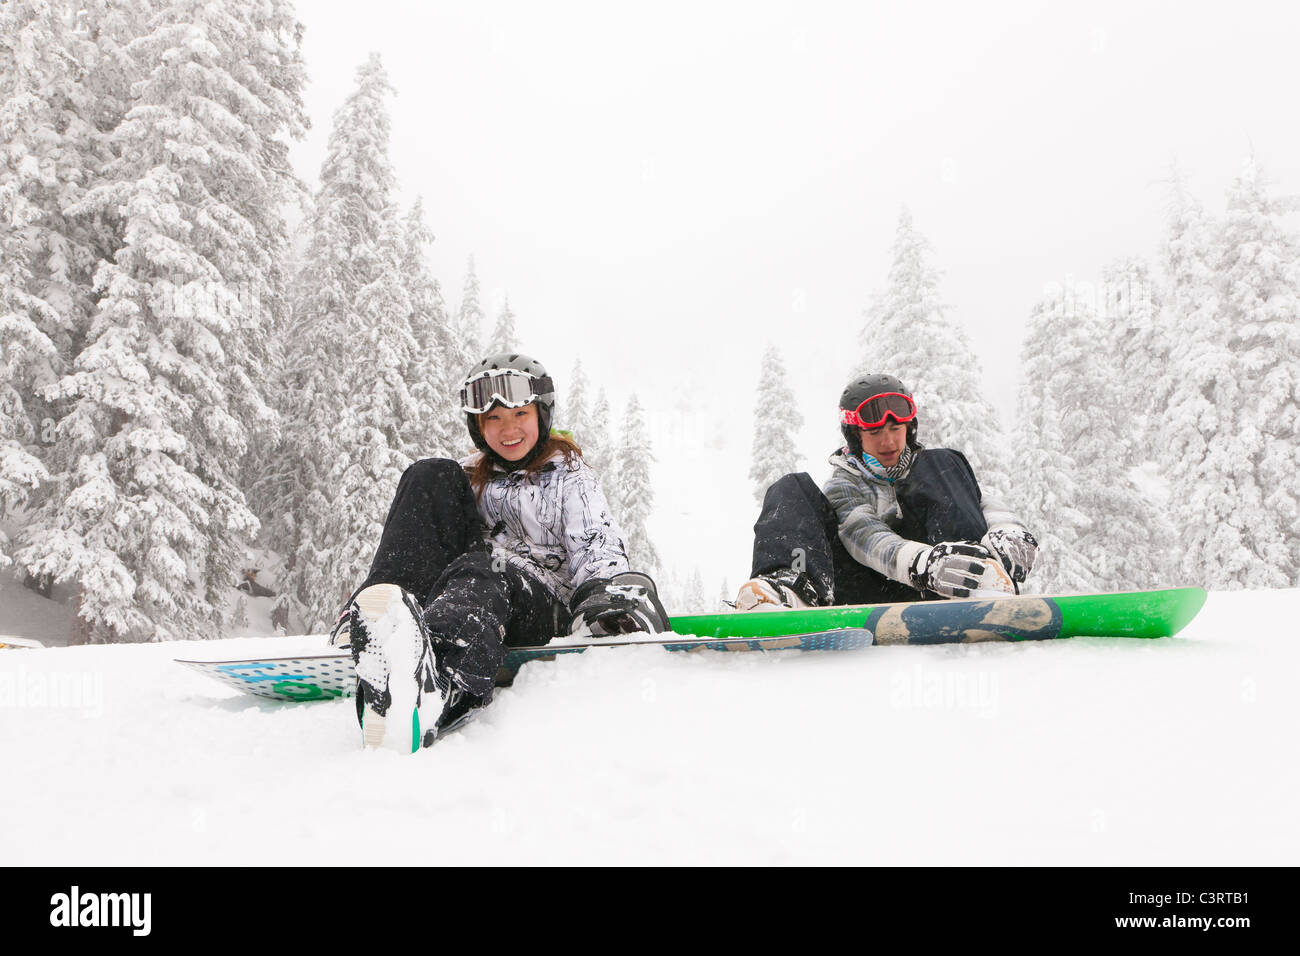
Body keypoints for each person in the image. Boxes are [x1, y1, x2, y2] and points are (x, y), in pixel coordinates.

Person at [331, 352, 667, 752]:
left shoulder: (569, 478)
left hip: (544, 604)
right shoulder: (469, 479)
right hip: (473, 592)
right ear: (478, 427)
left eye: (519, 414)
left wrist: (605, 597)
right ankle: (388, 622)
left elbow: (596, 544)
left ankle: (439, 689)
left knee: (486, 565)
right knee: (430, 473)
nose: (508, 429)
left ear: (541, 415)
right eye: (493, 419)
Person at [736, 372, 1038, 610]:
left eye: (896, 429)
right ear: (855, 436)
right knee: (791, 488)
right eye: (875, 432)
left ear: (909, 428)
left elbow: (982, 501)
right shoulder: (844, 484)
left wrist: (1008, 530)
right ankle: (790, 590)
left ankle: (974, 573)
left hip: (943, 589)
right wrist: (925, 563)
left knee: (944, 460)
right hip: (869, 590)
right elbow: (864, 535)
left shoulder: (934, 471)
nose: (889, 442)